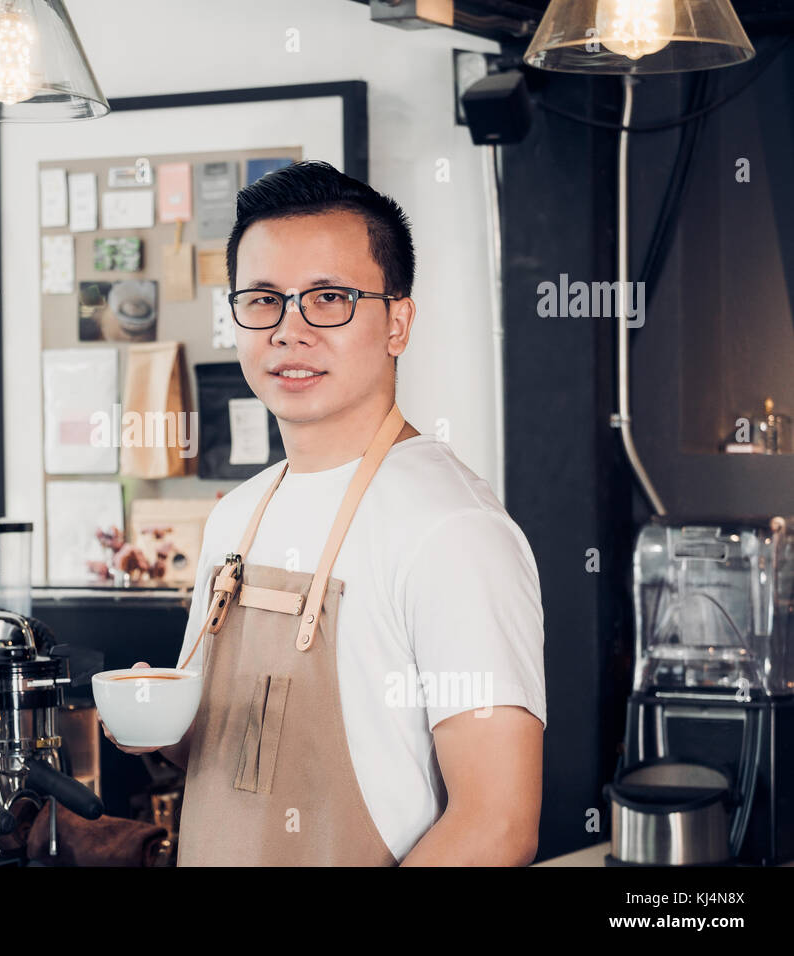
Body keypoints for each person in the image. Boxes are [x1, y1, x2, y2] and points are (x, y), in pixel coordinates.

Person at [103, 160, 545, 866]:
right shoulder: (236, 518)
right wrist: (155, 720)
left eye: (330, 299)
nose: (289, 330)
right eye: (263, 299)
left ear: (397, 321)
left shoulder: (452, 530)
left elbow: (497, 824)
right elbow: (220, 757)